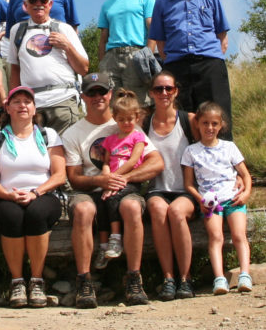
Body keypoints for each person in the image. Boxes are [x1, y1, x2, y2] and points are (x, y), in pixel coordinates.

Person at [61, 72, 163, 309]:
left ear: (110, 94)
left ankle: (134, 278)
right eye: (91, 92)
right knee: (84, 210)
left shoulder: (126, 122)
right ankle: (84, 282)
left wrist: (120, 179)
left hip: (123, 187)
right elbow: (74, 178)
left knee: (132, 206)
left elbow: (156, 162)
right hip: (91, 189)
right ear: (83, 96)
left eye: (102, 91)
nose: (97, 96)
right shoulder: (72, 133)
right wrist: (101, 181)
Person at [0, 85, 66, 309]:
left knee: (36, 213)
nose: (22, 105)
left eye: (27, 101)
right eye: (16, 101)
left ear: (34, 107)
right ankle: (17, 281)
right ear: (7, 108)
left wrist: (35, 192)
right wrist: (9, 195)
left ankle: (37, 280)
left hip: (44, 192)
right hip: (8, 194)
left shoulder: (49, 135)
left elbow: (59, 175)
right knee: (11, 216)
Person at [149, 0, 232, 135]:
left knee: (219, 115)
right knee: (184, 119)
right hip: (178, 67)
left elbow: (222, 37)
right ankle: (187, 162)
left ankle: (225, 161)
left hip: (210, 65)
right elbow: (160, 43)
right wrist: (174, 63)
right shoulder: (162, 3)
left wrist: (212, 59)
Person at [182, 102, 252, 295]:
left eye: (214, 123)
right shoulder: (191, 151)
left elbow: (245, 175)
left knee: (239, 236)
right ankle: (219, 278)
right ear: (197, 123)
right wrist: (200, 199)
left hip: (233, 198)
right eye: (205, 123)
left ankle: (245, 274)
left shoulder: (229, 147)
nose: (209, 128)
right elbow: (189, 183)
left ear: (221, 125)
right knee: (216, 237)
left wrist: (245, 193)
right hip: (211, 203)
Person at [144, 69, 198, 300]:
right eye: (159, 89)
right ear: (151, 93)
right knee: (158, 209)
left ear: (176, 92)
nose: (164, 93)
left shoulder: (190, 120)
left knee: (176, 212)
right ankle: (168, 277)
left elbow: (212, 145)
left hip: (186, 189)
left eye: (169, 88)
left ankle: (185, 278)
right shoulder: (144, 122)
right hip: (157, 188)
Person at [7, 0, 88, 134]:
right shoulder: (17, 31)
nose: (38, 3)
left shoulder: (64, 29)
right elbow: (15, 68)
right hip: (31, 105)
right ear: (26, 5)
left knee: (65, 154)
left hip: (62, 101)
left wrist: (67, 46)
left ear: (50, 4)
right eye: (33, 0)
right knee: (36, 154)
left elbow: (83, 68)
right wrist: (14, 100)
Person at [98, 0, 155, 106]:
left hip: (136, 54)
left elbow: (153, 29)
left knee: (139, 104)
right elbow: (103, 37)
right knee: (112, 105)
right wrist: (102, 62)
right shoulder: (107, 4)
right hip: (111, 57)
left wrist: (147, 56)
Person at [99, 89, 148, 264]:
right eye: (121, 119)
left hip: (130, 180)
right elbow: (105, 161)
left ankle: (116, 237)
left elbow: (133, 161)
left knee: (111, 197)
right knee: (102, 201)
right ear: (115, 118)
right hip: (113, 179)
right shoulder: (111, 139)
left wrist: (114, 178)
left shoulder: (138, 137)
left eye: (130, 119)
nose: (126, 123)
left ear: (136, 118)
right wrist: (107, 177)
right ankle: (104, 246)